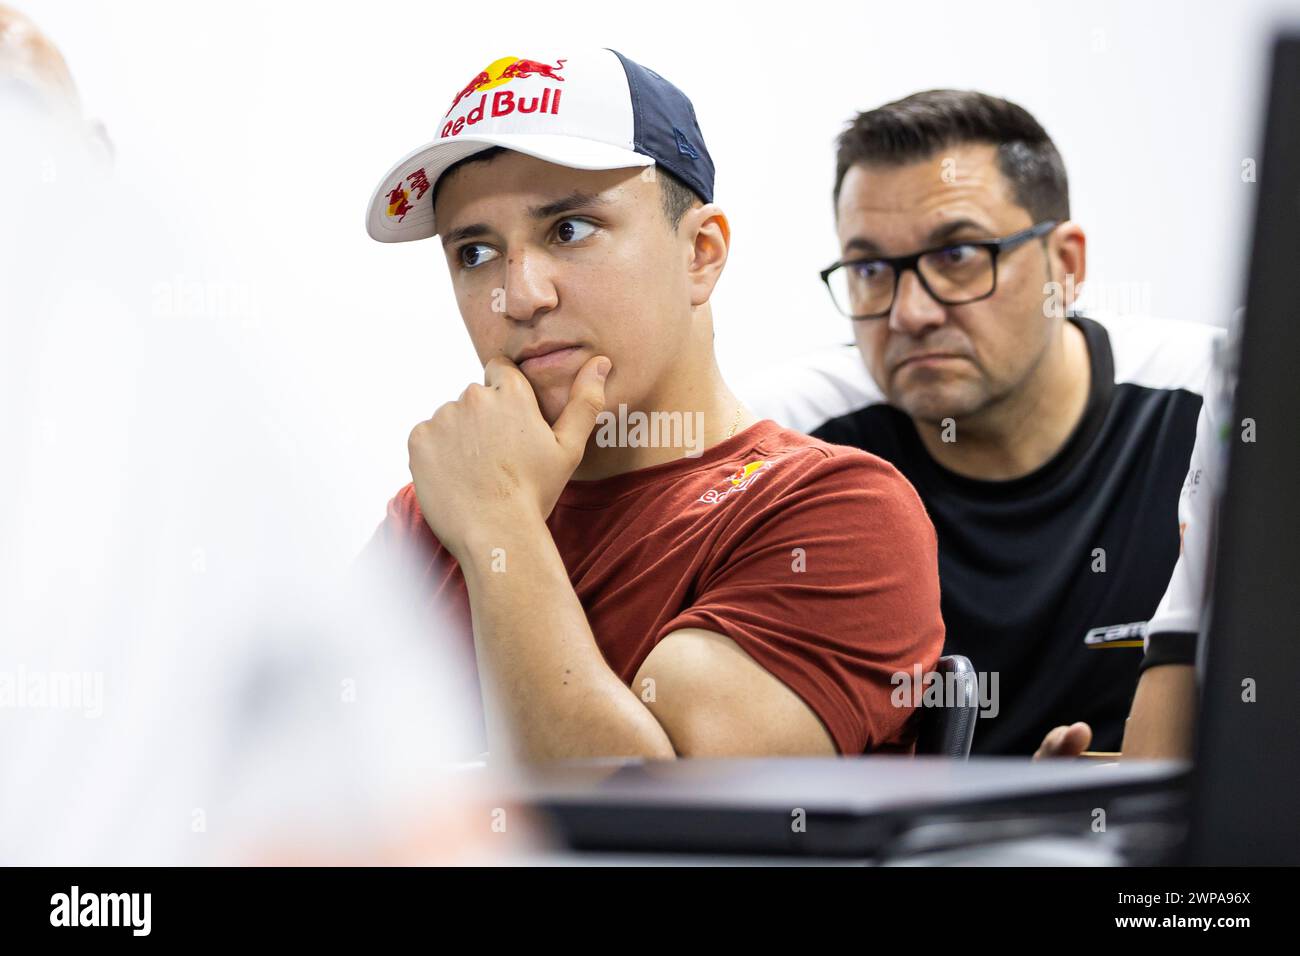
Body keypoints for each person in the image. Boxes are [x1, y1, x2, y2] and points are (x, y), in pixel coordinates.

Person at [360, 49, 945, 762]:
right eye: (475, 253)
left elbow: (656, 820)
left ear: (701, 253)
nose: (520, 296)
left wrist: (498, 531)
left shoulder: (839, 512)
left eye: (569, 230)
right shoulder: (431, 515)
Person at [734, 90, 1222, 756]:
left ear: (1066, 266)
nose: (909, 313)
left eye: (958, 255)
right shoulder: (784, 437)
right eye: (871, 269)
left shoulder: (1215, 403)